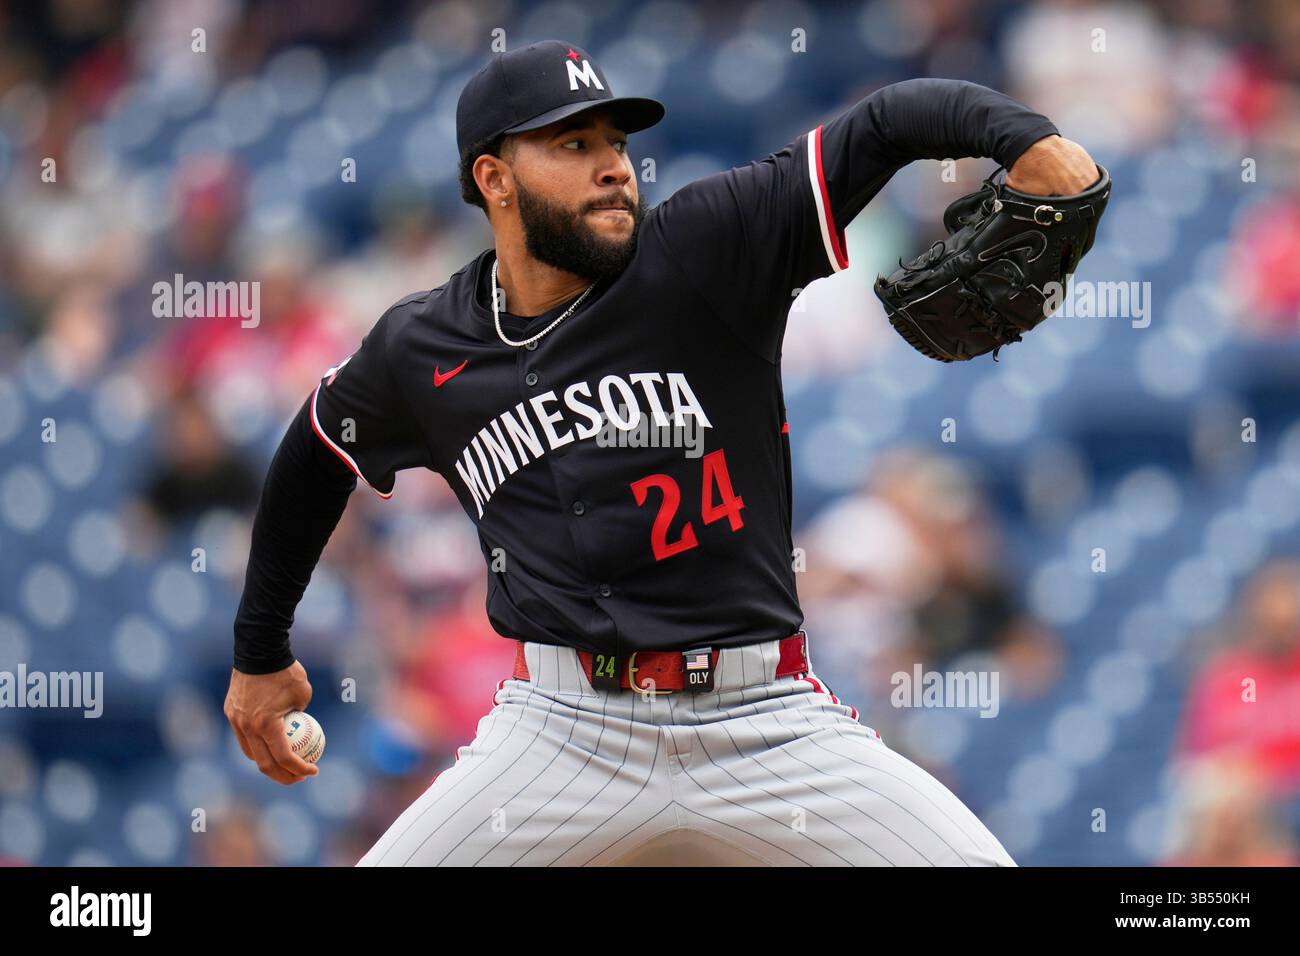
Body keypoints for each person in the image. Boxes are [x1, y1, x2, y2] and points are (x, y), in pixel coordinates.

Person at [224, 40, 1099, 866]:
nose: (613, 163)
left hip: (763, 722)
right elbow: (313, 450)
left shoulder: (707, 248)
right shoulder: (423, 348)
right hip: (561, 734)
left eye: (615, 140)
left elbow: (890, 120)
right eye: (573, 143)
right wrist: (260, 651)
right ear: (493, 178)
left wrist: (1029, 140)